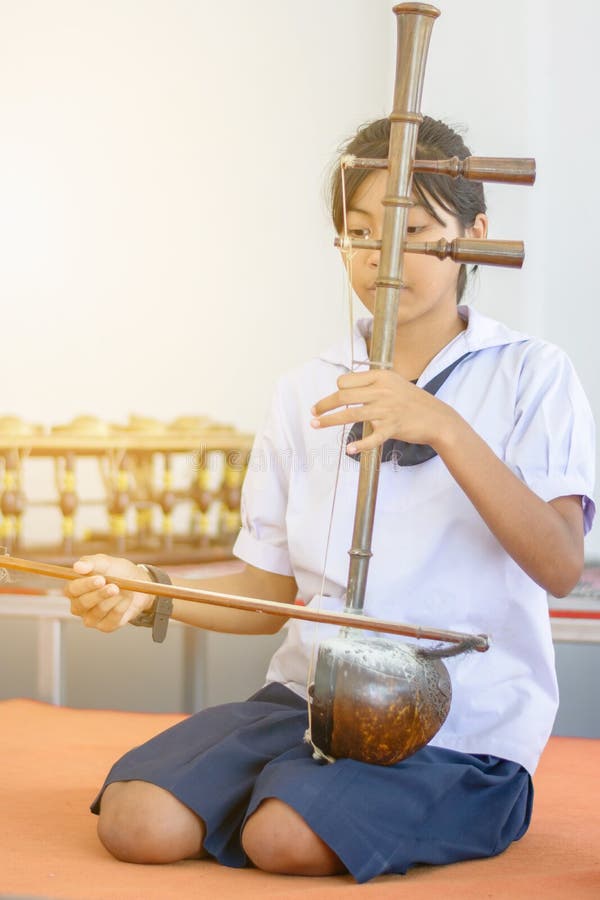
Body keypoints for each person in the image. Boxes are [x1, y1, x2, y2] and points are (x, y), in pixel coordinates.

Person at [67, 116, 596, 883]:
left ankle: (316, 801)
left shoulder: (531, 375)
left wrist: (442, 426)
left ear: (475, 233)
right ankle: (297, 787)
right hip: (308, 703)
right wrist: (151, 590)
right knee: (137, 818)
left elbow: (557, 563)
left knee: (284, 838)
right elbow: (271, 594)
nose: (381, 257)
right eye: (358, 232)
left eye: (412, 230)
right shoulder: (305, 387)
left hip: (458, 726)